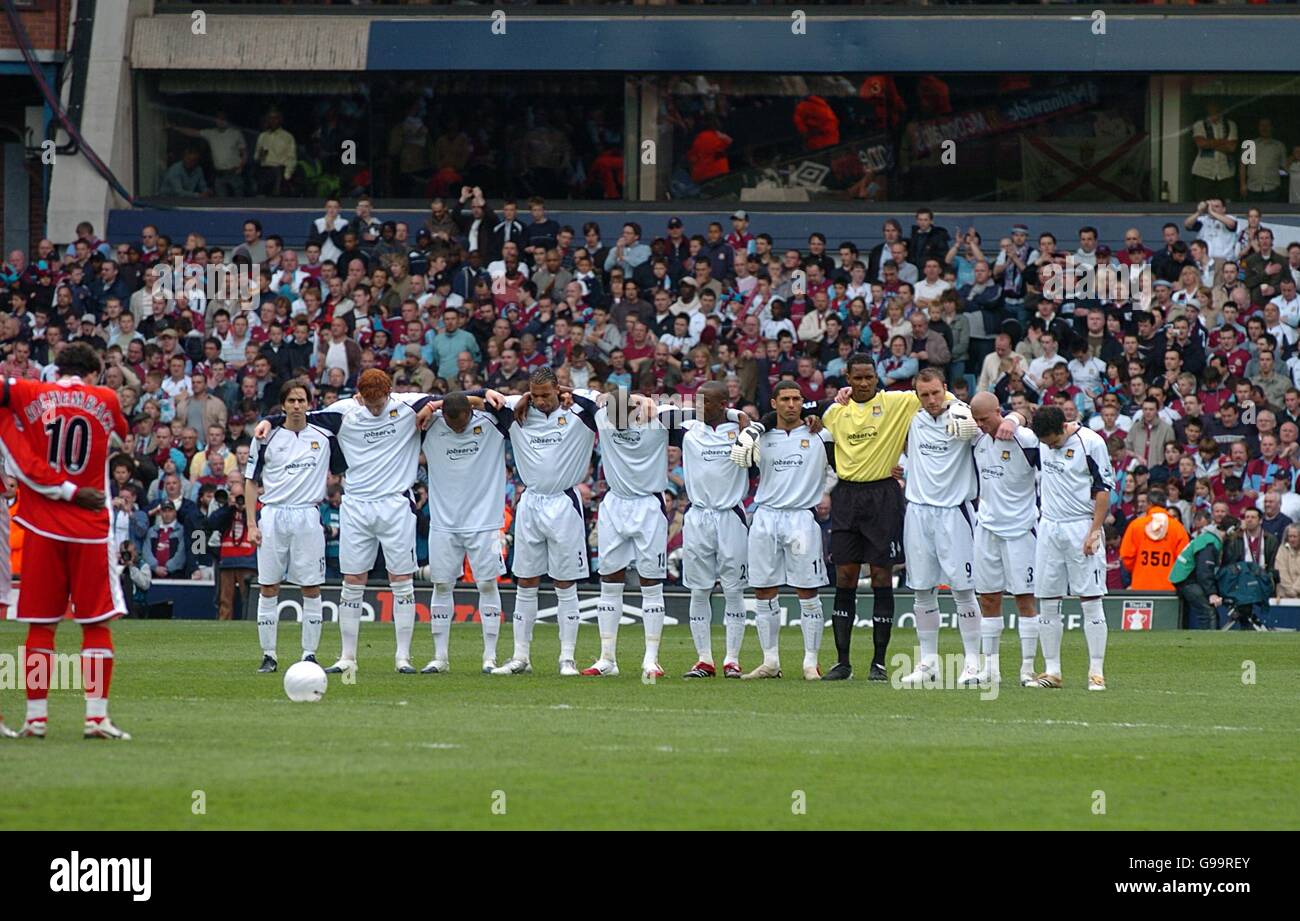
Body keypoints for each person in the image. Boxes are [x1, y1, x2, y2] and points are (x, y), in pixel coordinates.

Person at [255, 368, 435, 675]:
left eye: (380, 403)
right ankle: (347, 657)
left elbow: (451, 400)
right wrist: (269, 421)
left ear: (389, 393)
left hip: (395, 504)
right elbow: (300, 416)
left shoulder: (407, 404)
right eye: (369, 403)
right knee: (352, 581)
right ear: (359, 396)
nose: (375, 409)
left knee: (401, 580)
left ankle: (403, 657)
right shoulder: (343, 411)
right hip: (356, 505)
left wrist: (433, 406)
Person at [0, 342, 132, 740]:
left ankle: (35, 719)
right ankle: (96, 718)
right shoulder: (105, 397)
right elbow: (122, 432)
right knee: (96, 624)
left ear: (56, 370)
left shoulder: (30, 391)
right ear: (93, 373)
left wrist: (12, 431)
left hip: (41, 525)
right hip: (90, 527)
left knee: (41, 626)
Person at [491, 369, 598, 677]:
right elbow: (471, 401)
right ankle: (520, 657)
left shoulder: (580, 408)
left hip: (564, 503)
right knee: (525, 581)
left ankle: (567, 658)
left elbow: (614, 403)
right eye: (534, 395)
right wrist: (491, 395)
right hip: (530, 503)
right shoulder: (517, 409)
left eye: (545, 395)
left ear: (558, 389)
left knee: (565, 583)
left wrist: (572, 394)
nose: (539, 401)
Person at [733, 382, 835, 681]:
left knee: (808, 590)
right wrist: (751, 430)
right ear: (774, 403)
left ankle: (810, 662)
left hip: (801, 518)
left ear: (803, 402)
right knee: (763, 590)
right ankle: (770, 661)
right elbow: (742, 465)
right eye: (786, 399)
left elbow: (841, 467)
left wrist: (826, 492)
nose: (792, 405)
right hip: (766, 516)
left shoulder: (821, 435)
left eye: (796, 399)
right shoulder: (760, 437)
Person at [892, 370, 982, 687]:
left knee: (963, 589)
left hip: (954, 512)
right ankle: (928, 662)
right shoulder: (911, 419)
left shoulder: (964, 417)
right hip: (918, 512)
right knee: (922, 589)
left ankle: (973, 662)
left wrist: (964, 409)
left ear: (945, 389)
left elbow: (993, 425)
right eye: (924, 395)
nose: (931, 400)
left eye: (935, 393)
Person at [418, 390, 514, 674]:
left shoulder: (491, 422)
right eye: (452, 424)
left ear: (471, 412)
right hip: (444, 524)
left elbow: (507, 402)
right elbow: (412, 402)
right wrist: (434, 406)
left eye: (461, 423)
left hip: (488, 524)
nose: (457, 428)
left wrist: (481, 394)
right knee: (442, 585)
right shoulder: (431, 425)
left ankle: (490, 656)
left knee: (488, 585)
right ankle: (440, 657)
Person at [245, 381, 335, 673]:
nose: (297, 405)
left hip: (307, 515)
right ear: (283, 405)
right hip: (273, 514)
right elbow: (251, 481)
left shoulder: (325, 434)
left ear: (309, 403)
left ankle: (309, 654)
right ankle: (269, 655)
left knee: (311, 586)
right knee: (269, 585)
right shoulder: (265, 437)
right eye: (292, 400)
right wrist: (251, 524)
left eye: (302, 400)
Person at [583, 390, 673, 679]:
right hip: (615, 504)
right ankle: (607, 658)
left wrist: (650, 401)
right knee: (609, 580)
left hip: (649, 505)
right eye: (612, 417)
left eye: (620, 417)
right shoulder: (602, 414)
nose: (615, 423)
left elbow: (697, 408)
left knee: (651, 582)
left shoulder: (659, 419)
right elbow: (572, 393)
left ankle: (651, 659)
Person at [1028, 406, 1115, 691]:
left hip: (1081, 525)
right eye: (1046, 443)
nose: (1051, 447)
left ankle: (1096, 672)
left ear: (1063, 427)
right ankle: (1052, 671)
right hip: (1049, 525)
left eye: (1054, 441)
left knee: (1090, 598)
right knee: (1047, 599)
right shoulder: (1042, 443)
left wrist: (1094, 531)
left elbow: (1103, 489)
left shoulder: (1091, 443)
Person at [670, 381, 752, 678]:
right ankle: (704, 659)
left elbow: (757, 429)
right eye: (697, 401)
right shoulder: (687, 427)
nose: (699, 406)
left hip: (730, 516)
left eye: (706, 402)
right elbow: (645, 409)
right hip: (698, 516)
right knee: (699, 588)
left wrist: (738, 417)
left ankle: (732, 659)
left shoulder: (742, 430)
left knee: (734, 589)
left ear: (722, 404)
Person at [969, 391, 1042, 687]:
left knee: (1024, 599)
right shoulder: (976, 440)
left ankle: (1027, 669)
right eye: (976, 419)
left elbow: (1033, 422)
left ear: (998, 411)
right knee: (988, 598)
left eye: (984, 418)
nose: (980, 424)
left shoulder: (1025, 439)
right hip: (987, 527)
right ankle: (990, 669)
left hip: (1021, 529)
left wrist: (1016, 418)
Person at [1119, 491, 1191, 592]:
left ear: (1149, 503)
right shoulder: (1178, 528)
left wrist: (1139, 569)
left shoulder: (1136, 525)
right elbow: (1184, 560)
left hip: (1140, 586)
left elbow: (1126, 557)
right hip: (1169, 588)